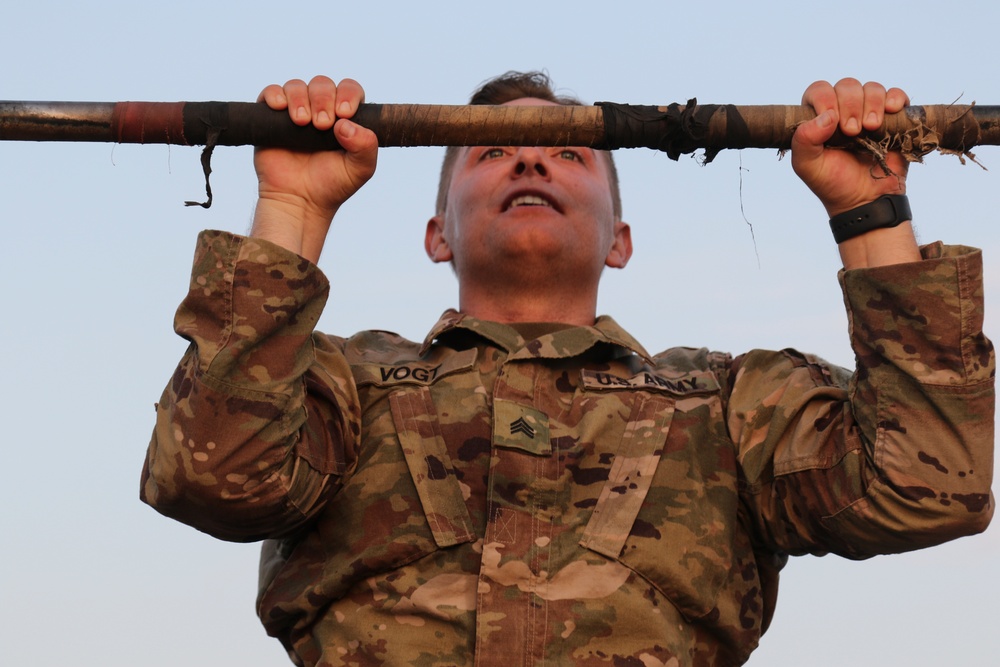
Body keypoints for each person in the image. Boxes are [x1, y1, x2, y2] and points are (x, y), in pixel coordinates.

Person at [140, 72, 995, 666]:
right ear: (437, 232)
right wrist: (292, 206)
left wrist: (871, 208)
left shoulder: (725, 402)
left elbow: (926, 486)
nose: (531, 158)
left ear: (619, 238)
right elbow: (214, 477)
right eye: (492, 151)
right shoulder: (340, 383)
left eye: (569, 152)